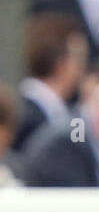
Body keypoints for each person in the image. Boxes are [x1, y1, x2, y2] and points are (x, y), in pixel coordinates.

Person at [11, 14, 88, 153]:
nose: (83, 68)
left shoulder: (68, 109)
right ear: (61, 63)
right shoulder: (22, 115)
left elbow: (79, 146)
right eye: (79, 58)